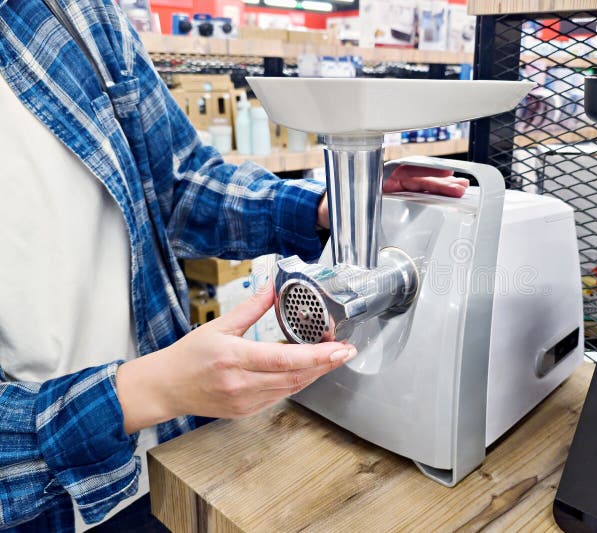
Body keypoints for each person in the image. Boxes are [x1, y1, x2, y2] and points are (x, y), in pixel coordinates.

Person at [0, 1, 469, 530]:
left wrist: (325, 206)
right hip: (39, 505)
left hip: (170, 448)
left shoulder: (68, 14)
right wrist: (142, 392)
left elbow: (177, 184)